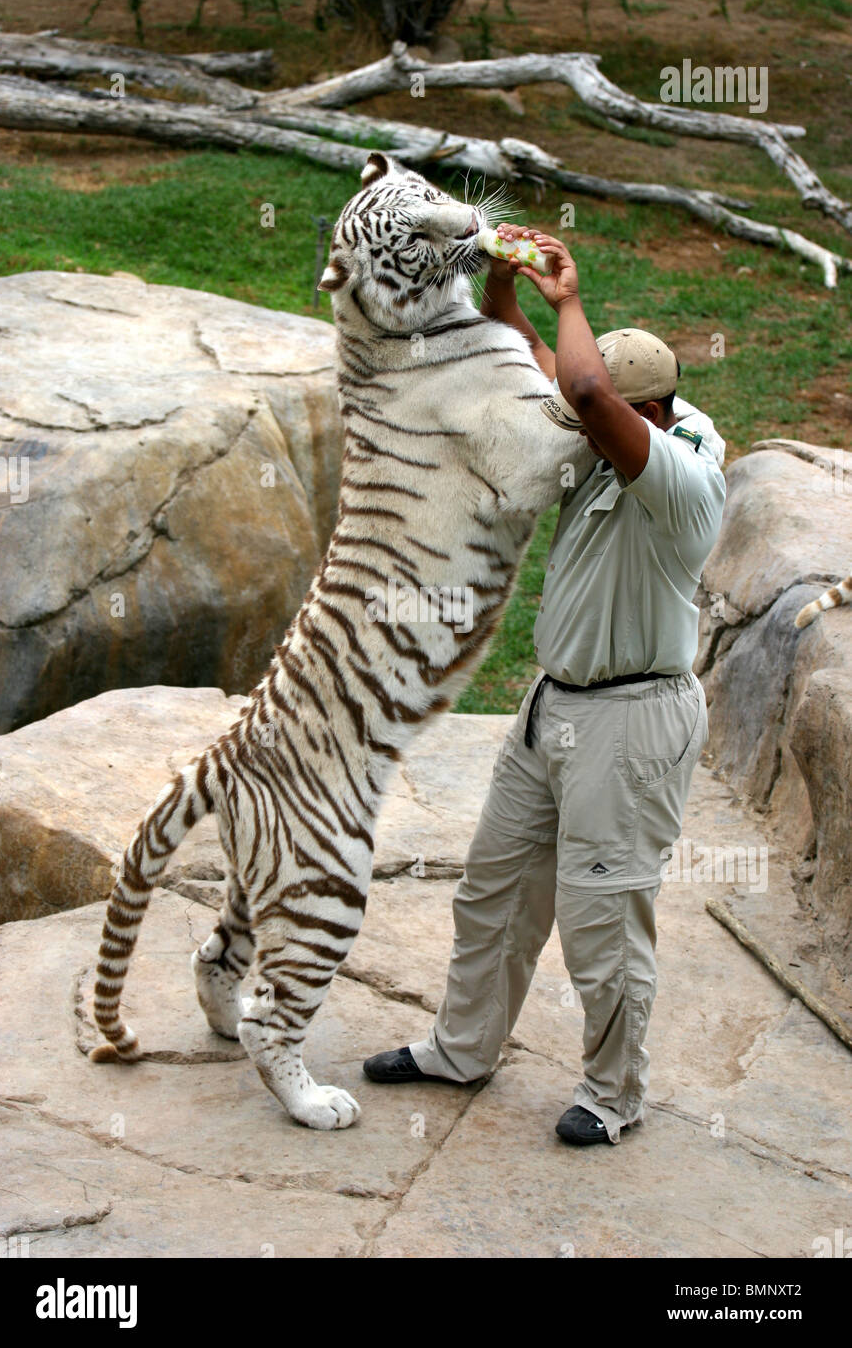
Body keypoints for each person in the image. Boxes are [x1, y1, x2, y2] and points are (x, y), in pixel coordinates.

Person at [363, 226, 727, 1146]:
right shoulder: (607, 433)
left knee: (602, 927)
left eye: (589, 413)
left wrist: (571, 301)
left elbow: (586, 388)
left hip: (632, 723)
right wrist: (506, 288)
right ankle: (462, 1049)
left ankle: (614, 1098)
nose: (570, 420)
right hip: (553, 710)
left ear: (646, 413)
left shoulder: (682, 480)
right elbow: (536, 362)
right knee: (494, 890)